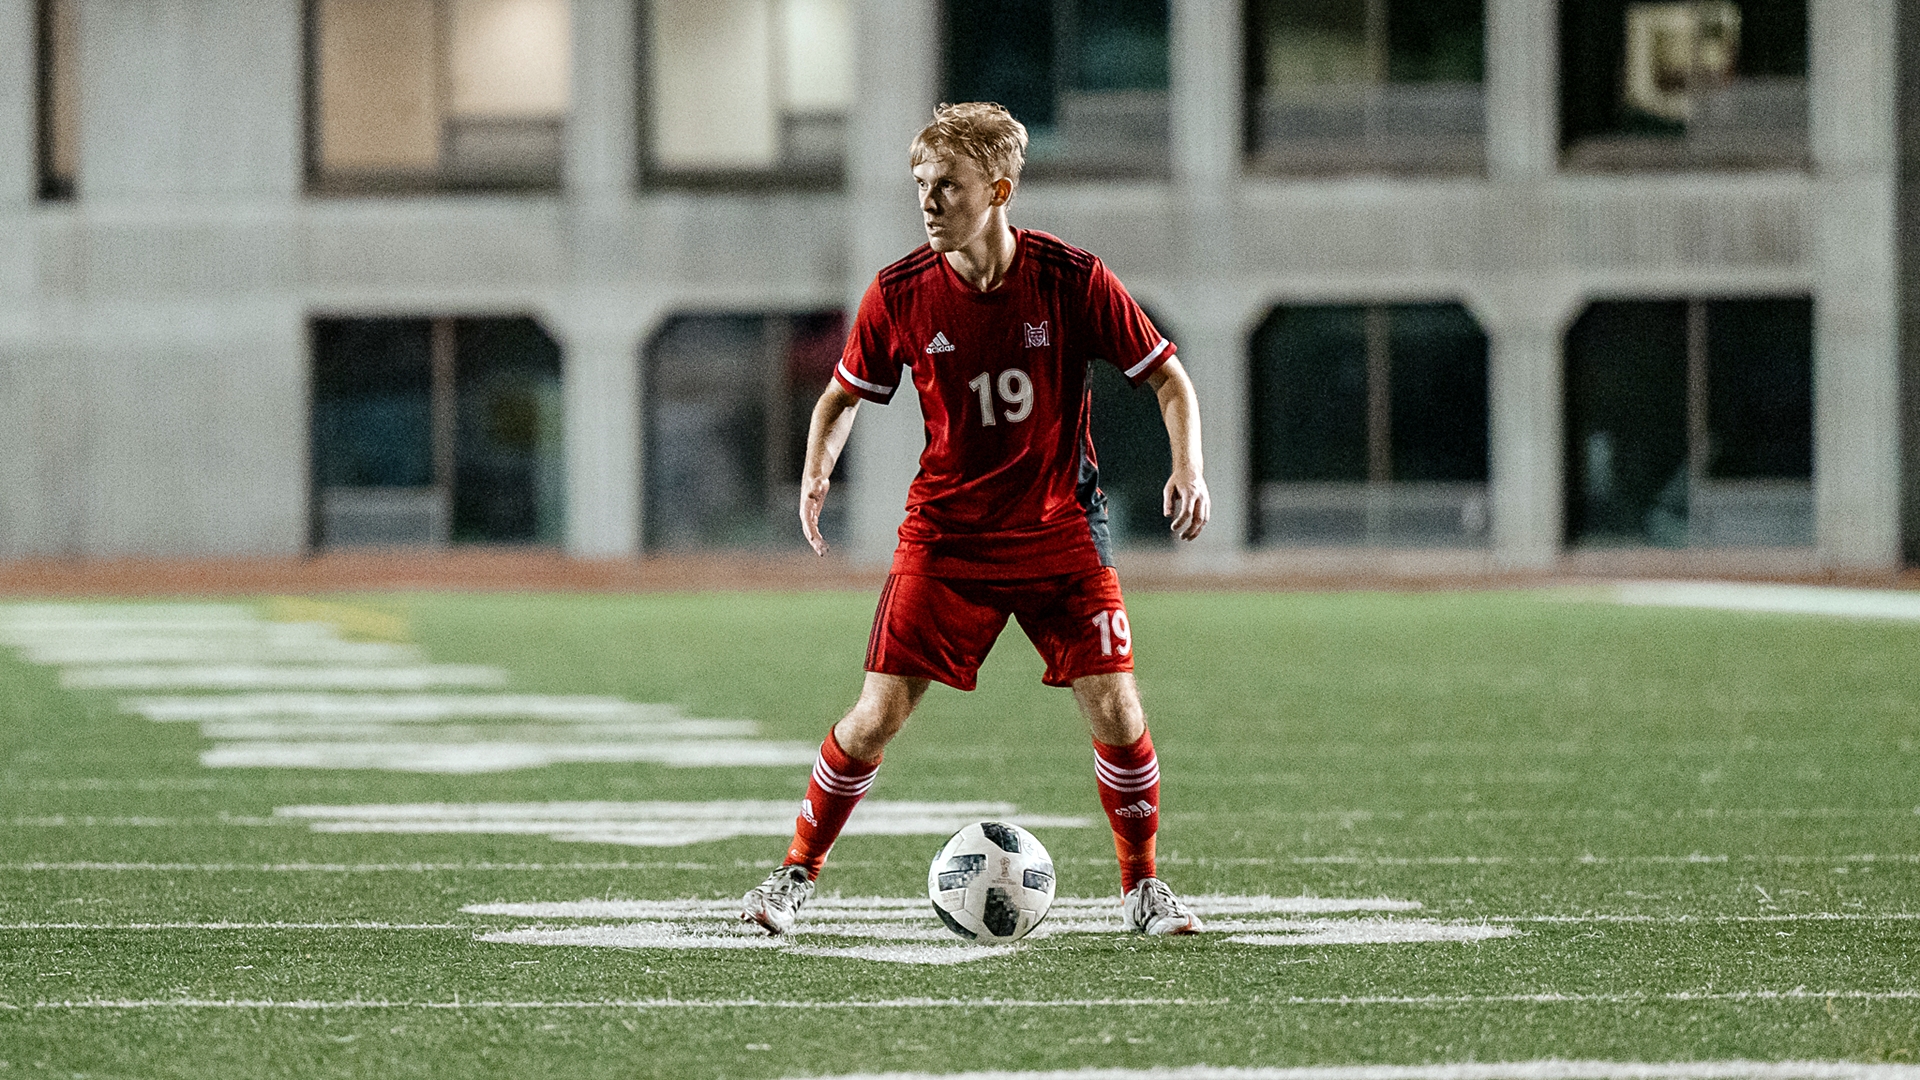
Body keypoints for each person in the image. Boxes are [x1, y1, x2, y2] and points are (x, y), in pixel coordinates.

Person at [740, 102, 1210, 937]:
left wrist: (1189, 467)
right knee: (876, 715)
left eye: (947, 186)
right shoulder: (899, 292)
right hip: (948, 538)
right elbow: (840, 396)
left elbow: (1168, 377)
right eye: (920, 185)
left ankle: (1143, 888)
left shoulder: (1071, 278)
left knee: (1118, 709)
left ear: (997, 191)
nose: (928, 202)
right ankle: (793, 876)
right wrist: (816, 471)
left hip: (1061, 530)